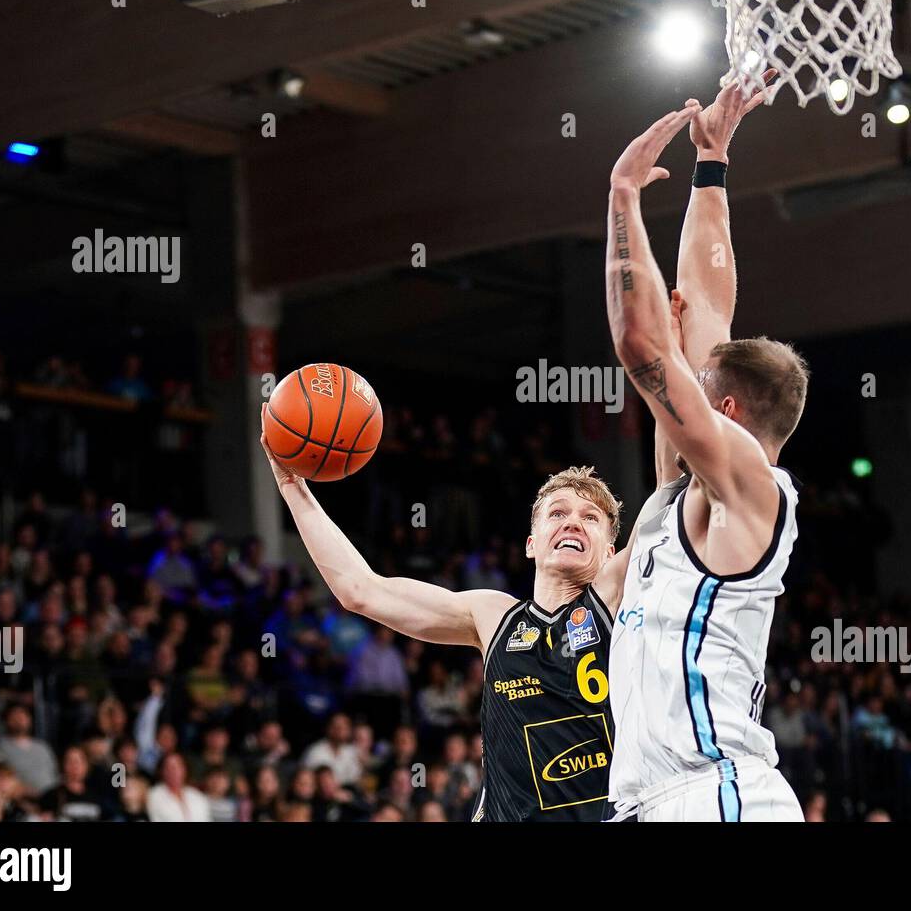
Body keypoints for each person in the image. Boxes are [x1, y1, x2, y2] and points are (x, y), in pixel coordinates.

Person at [602, 81, 811, 821]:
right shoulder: (685, 495)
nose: (685, 379)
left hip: (715, 791)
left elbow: (640, 343)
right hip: (657, 799)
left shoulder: (749, 484)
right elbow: (707, 297)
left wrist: (624, 199)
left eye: (698, 383)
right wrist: (712, 167)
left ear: (721, 411)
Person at [262, 412, 627, 821]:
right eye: (557, 513)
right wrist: (292, 485)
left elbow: (674, 490)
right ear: (530, 544)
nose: (573, 522)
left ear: (611, 554)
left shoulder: (621, 599)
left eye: (590, 518)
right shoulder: (493, 615)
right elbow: (360, 590)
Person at [147, 752, 211, 822]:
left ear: (185, 769)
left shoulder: (197, 796)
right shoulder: (153, 795)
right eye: (168, 767)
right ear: (161, 771)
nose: (173, 771)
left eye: (178, 766)